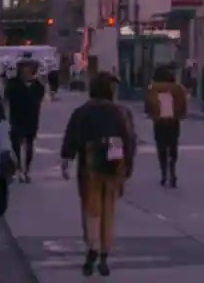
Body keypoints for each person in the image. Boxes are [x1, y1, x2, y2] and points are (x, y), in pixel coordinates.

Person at [61, 75, 137, 277]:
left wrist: (66, 159)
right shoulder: (121, 113)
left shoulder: (83, 112)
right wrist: (127, 167)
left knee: (91, 209)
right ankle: (105, 252)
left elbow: (72, 137)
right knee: (108, 209)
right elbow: (129, 140)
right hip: (114, 165)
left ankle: (92, 246)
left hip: (90, 165)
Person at [144, 64, 189, 188]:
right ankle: (172, 169)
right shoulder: (178, 88)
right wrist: (181, 114)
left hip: (159, 122)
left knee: (161, 147)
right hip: (173, 122)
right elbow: (183, 103)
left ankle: (164, 172)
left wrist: (150, 113)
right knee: (173, 145)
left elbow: (148, 104)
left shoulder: (153, 88)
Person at [5, 61, 47, 182]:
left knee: (29, 145)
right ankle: (18, 166)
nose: (26, 72)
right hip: (16, 118)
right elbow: (7, 97)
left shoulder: (37, 86)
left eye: (29, 70)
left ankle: (26, 168)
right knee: (16, 144)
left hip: (31, 119)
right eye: (24, 70)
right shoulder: (13, 84)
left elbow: (40, 96)